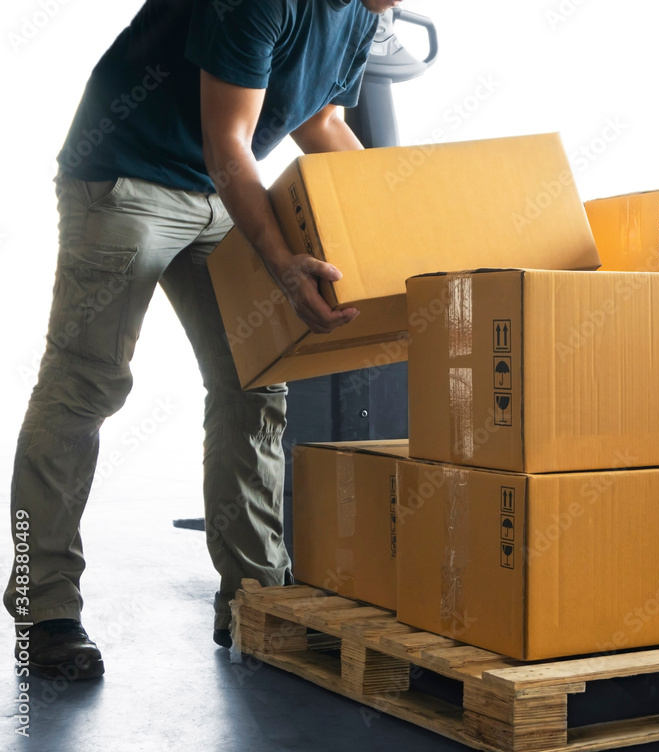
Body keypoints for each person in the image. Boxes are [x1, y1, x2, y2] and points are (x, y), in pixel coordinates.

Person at [5, 0, 402, 681]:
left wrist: (409, 216)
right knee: (86, 385)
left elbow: (322, 120)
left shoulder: (364, 12)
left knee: (255, 381)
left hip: (223, 187)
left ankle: (253, 599)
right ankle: (43, 604)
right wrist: (281, 264)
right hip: (129, 174)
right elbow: (230, 146)